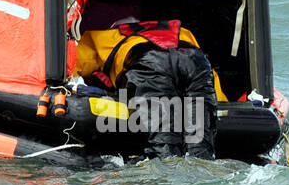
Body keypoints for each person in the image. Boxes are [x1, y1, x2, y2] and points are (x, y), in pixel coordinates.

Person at [74, 20, 221, 159]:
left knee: (165, 153)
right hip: (195, 61)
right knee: (201, 150)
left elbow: (71, 72)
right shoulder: (183, 31)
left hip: (150, 64)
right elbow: (211, 85)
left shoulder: (96, 37)